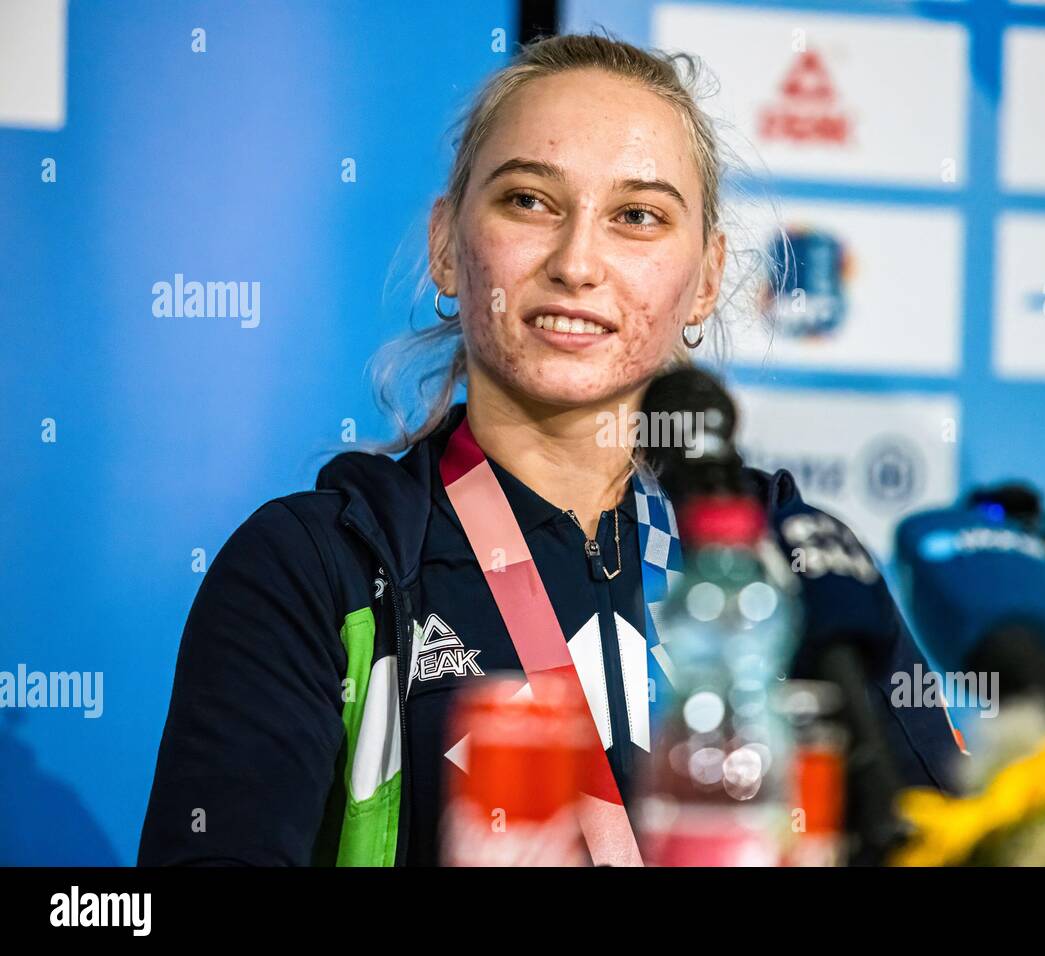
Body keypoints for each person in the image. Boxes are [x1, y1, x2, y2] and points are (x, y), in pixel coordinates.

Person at [137, 32, 960, 867]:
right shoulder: (318, 566)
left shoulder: (795, 557)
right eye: (530, 200)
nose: (576, 262)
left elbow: (955, 844)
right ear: (447, 248)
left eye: (637, 216)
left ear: (707, 278)